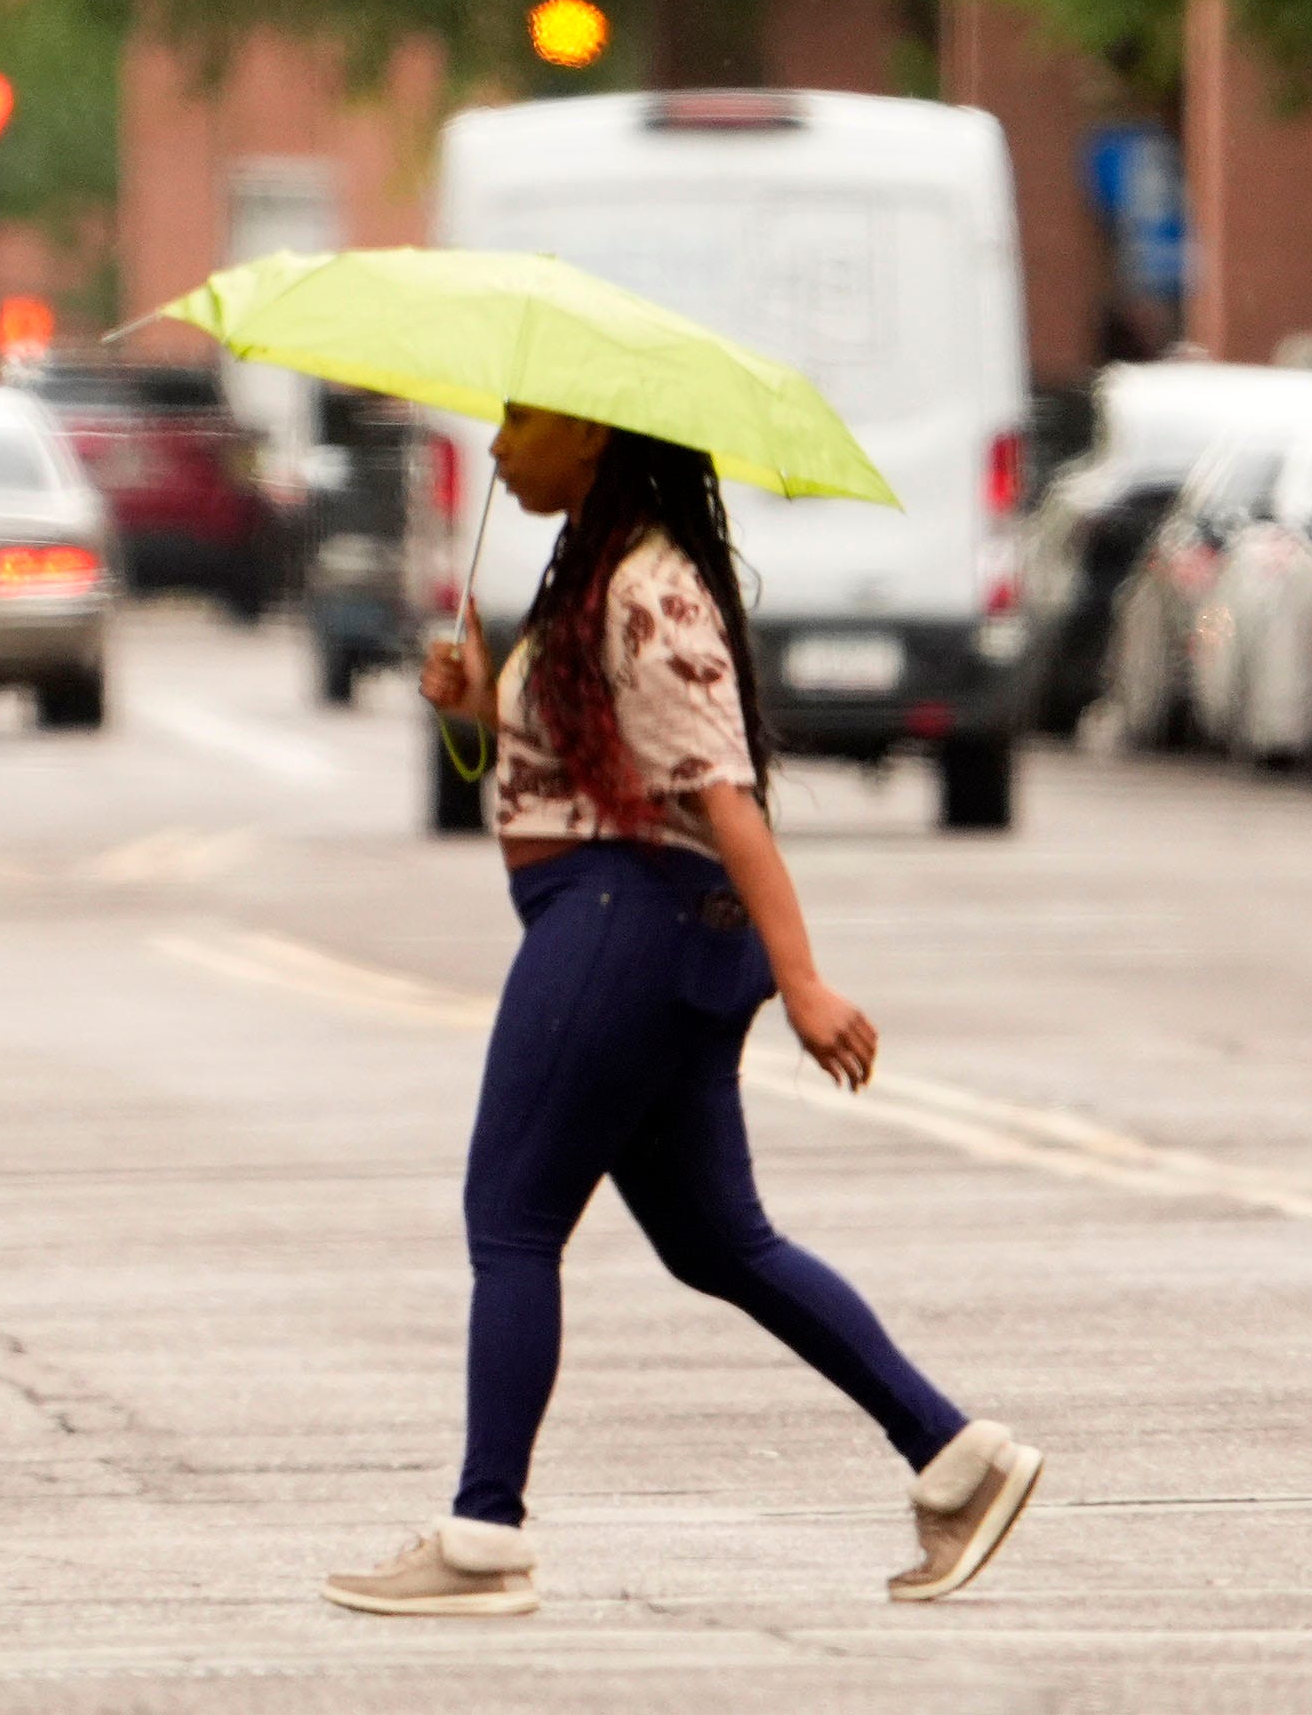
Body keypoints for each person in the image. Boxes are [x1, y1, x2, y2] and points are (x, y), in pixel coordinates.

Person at [322, 404, 1042, 1618]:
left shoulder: (647, 587)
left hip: (620, 923)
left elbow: (723, 794)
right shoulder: (599, 570)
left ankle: (485, 1532)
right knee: (721, 1242)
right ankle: (954, 1457)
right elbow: (601, 759)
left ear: (595, 437)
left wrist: (803, 974)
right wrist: (479, 704)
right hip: (647, 929)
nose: (497, 447)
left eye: (522, 420)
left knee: (510, 1217)